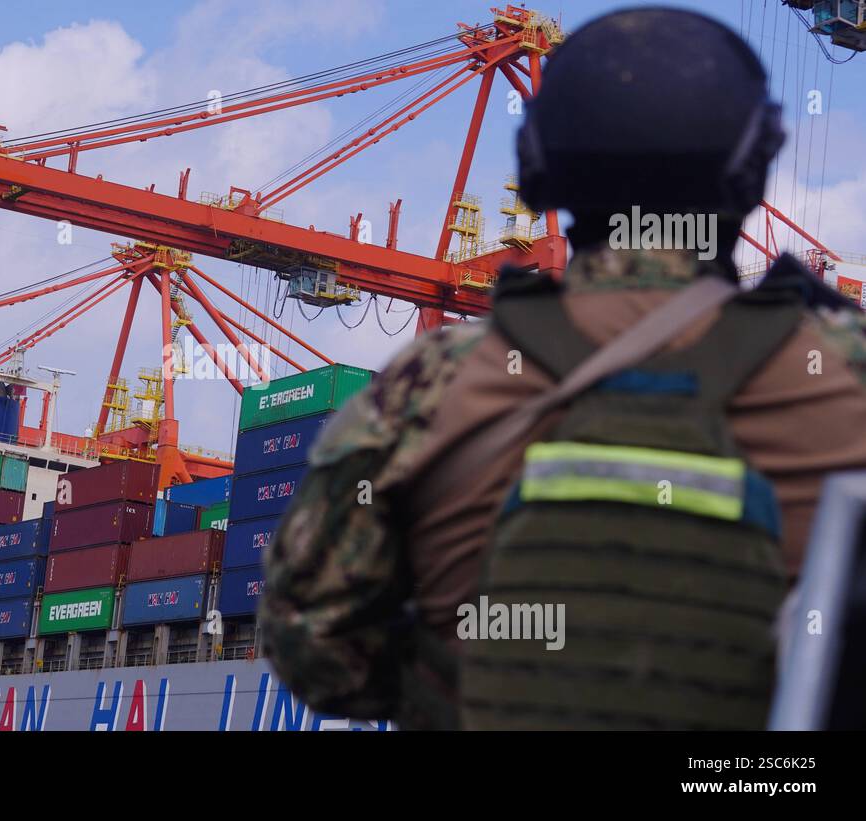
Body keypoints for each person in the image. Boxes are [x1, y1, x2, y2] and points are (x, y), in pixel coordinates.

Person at [260, 7, 866, 730]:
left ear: (539, 165)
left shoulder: (434, 381)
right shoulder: (847, 366)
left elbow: (308, 637)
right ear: (756, 162)